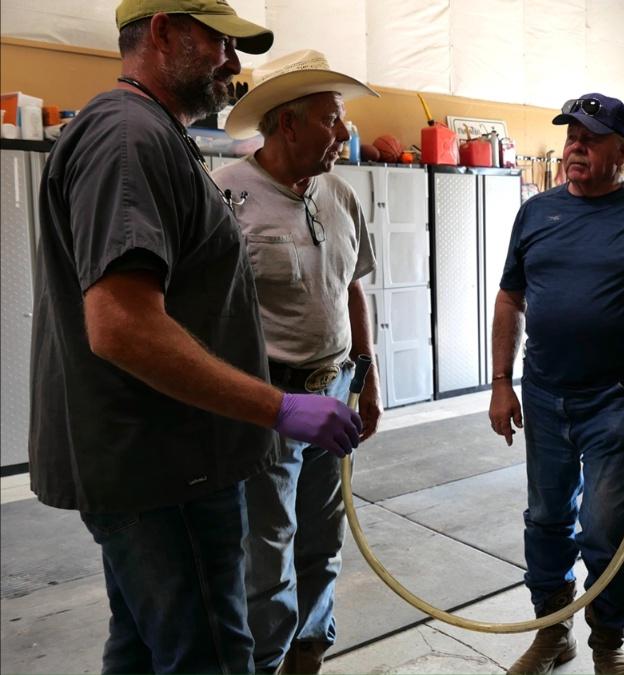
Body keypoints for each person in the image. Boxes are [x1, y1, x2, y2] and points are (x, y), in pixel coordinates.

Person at [28, 2, 362, 672]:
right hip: (166, 469)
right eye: (219, 44)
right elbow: (122, 324)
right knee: (208, 652)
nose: (233, 64)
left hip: (162, 465)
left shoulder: (151, 135)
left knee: (143, 650)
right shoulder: (128, 139)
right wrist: (277, 406)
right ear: (162, 32)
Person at [216, 49, 381, 674]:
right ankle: (266, 658)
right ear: (286, 124)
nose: (344, 133)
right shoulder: (225, 194)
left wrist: (367, 382)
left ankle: (308, 654)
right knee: (267, 547)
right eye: (331, 119)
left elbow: (353, 288)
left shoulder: (339, 193)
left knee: (323, 539)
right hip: (271, 403)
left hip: (335, 390)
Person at [489, 93, 624, 675]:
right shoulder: (536, 212)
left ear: (623, 152)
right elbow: (510, 297)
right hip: (545, 395)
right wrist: (501, 382)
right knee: (546, 518)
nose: (575, 145)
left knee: (606, 525)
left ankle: (608, 644)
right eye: (571, 135)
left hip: (616, 398)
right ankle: (553, 632)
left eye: (591, 137)